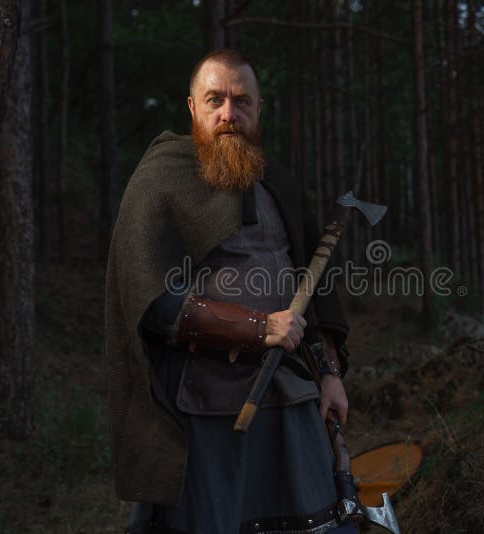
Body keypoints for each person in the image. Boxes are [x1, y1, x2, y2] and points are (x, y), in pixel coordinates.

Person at [105, 49, 357, 534]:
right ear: (192, 108)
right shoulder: (160, 180)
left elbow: (313, 282)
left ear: (259, 109)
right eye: (214, 99)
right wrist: (261, 326)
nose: (228, 114)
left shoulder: (277, 182)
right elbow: (154, 301)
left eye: (241, 101)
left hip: (290, 390)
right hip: (203, 398)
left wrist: (328, 373)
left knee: (317, 523)